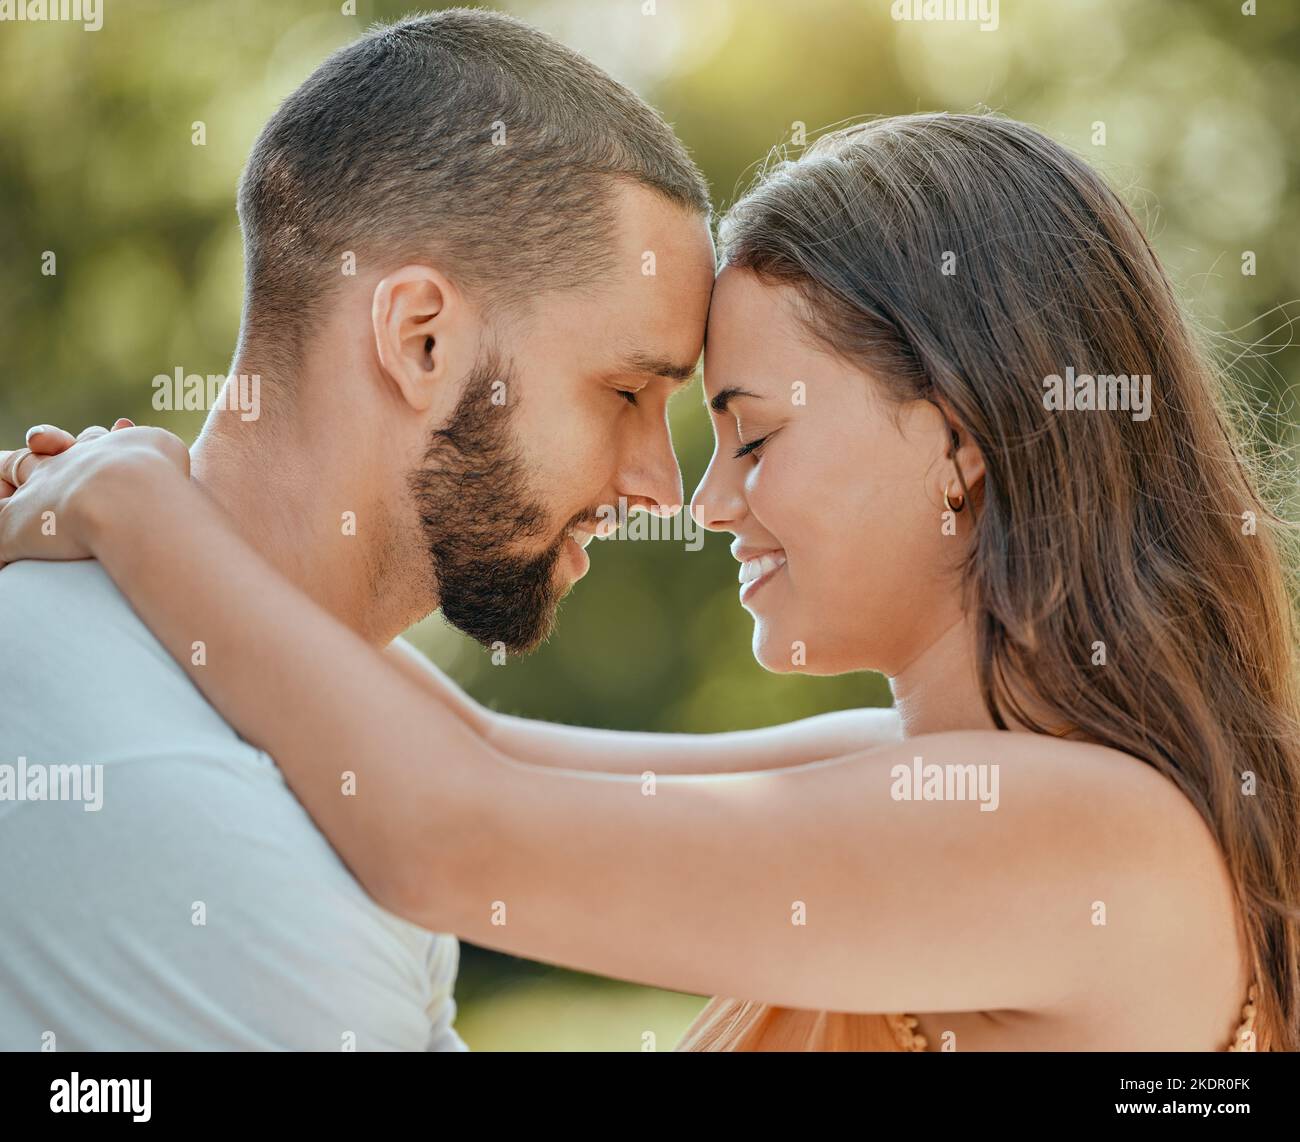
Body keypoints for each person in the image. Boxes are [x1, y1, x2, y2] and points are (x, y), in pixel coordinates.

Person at [5, 113, 1297, 1052]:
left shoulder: (1086, 835)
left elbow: (452, 836)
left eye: (755, 434)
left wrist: (132, 503)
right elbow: (480, 747)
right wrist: (182, 537)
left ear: (956, 438)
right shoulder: (937, 773)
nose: (706, 499)